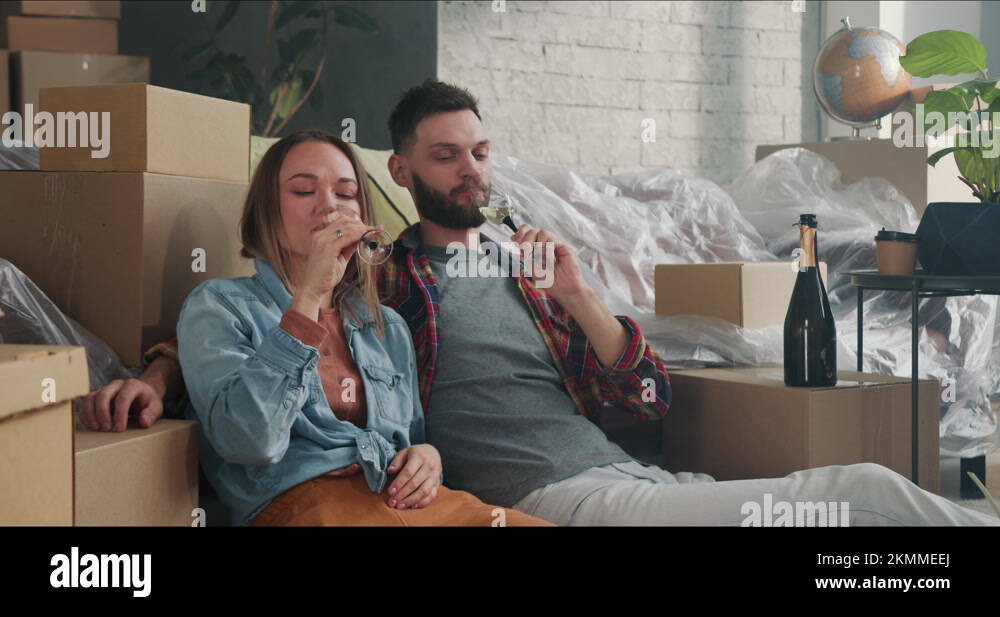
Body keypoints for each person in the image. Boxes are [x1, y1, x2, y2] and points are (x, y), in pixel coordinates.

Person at [87, 82, 998, 527]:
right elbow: (244, 330)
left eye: (481, 152)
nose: (472, 171)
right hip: (548, 493)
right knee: (857, 494)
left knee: (857, 523)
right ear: (399, 175)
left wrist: (583, 298)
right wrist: (164, 367)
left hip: (624, 471)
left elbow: (650, 401)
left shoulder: (516, 271)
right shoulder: (392, 286)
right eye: (446, 157)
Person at [172, 129, 550, 527]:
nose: (328, 206)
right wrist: (307, 298)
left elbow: (412, 438)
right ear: (266, 210)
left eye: (346, 193)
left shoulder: (386, 324)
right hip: (308, 505)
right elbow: (247, 440)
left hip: (417, 505)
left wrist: (428, 458)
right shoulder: (219, 305)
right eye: (303, 191)